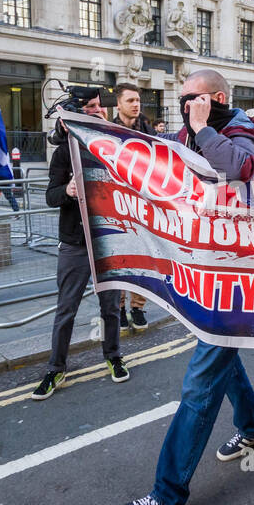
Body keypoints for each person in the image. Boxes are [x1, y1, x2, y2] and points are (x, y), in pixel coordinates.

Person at [117, 69, 254, 505]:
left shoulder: (242, 128)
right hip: (205, 266)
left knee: (201, 382)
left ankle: (167, 496)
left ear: (217, 98)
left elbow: (240, 169)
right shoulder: (185, 131)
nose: (185, 107)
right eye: (181, 101)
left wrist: (202, 129)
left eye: (193, 99)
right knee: (220, 354)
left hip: (241, 273)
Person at [31, 88, 129, 399]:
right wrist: (69, 191)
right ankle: (55, 368)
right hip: (75, 242)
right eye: (90, 107)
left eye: (100, 107)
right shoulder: (64, 152)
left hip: (109, 240)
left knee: (111, 308)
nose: (97, 111)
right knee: (66, 309)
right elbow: (50, 196)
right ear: (77, 112)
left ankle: (113, 356)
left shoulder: (115, 147)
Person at [113, 84, 152, 328]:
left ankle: (138, 308)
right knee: (119, 259)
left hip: (142, 204)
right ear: (118, 104)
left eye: (138, 100)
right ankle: (118, 308)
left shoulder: (147, 130)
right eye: (130, 100)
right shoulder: (107, 130)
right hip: (116, 204)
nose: (136, 104)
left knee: (143, 261)